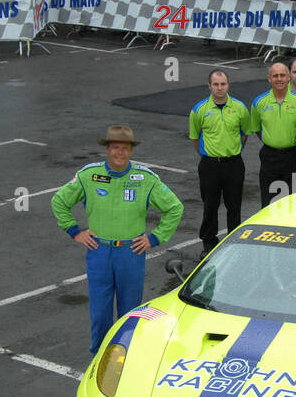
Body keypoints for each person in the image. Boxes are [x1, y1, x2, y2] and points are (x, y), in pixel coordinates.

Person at [52, 126, 183, 354]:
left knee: (130, 312)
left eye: (125, 148)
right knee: (100, 313)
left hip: (130, 254)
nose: (120, 153)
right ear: (107, 149)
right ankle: (99, 356)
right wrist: (75, 231)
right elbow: (59, 201)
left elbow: (174, 208)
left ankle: (126, 355)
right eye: (115, 148)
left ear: (131, 151)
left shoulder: (145, 179)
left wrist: (155, 238)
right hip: (99, 252)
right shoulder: (88, 176)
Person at [190, 69, 254, 255]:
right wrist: (208, 155)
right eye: (216, 84)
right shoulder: (199, 109)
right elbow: (195, 138)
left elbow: (244, 134)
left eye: (223, 84)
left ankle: (233, 241)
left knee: (234, 205)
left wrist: (231, 152)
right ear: (209, 86)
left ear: (228, 85)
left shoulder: (240, 108)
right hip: (209, 165)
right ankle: (208, 243)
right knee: (210, 205)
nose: (220, 88)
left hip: (233, 163)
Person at [251, 62, 296, 205]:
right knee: (268, 201)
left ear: (288, 77)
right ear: (269, 78)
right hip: (269, 157)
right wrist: (273, 141)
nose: (279, 79)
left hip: (294, 157)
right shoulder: (259, 102)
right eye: (275, 76)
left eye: (282, 75)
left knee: (295, 201)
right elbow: (257, 129)